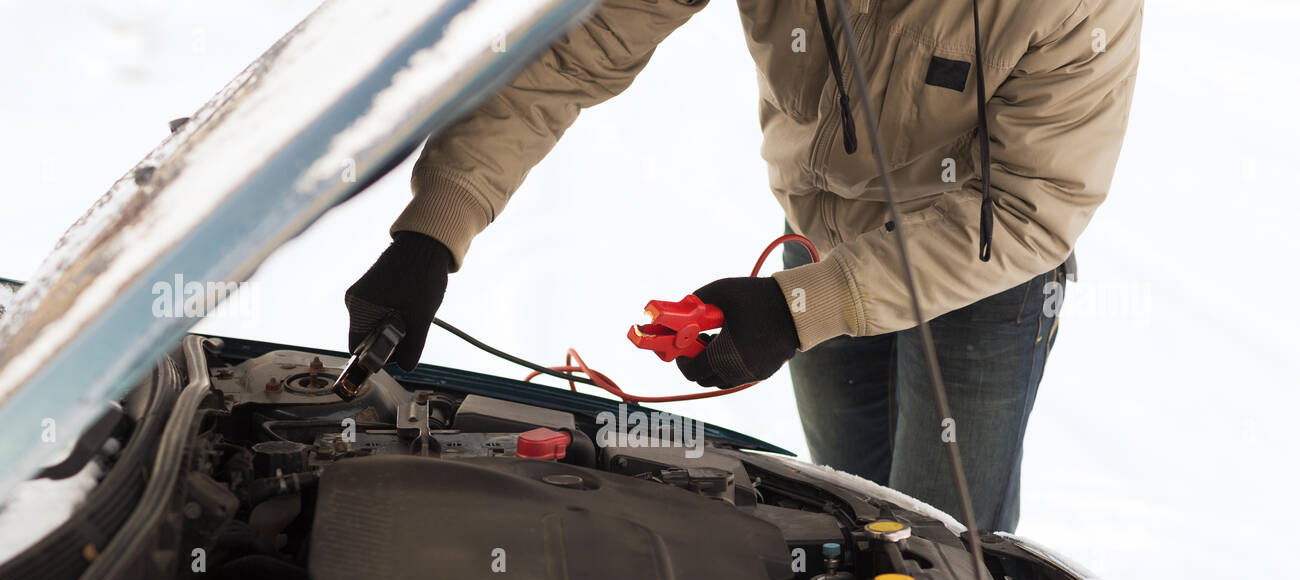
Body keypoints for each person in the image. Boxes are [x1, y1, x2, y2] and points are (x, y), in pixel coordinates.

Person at [344, 0, 1142, 532]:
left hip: (981, 280)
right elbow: (567, 57)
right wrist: (431, 233)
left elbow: (1035, 200)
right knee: (849, 515)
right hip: (817, 246)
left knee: (938, 549)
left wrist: (801, 309)